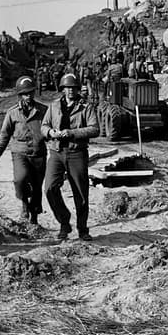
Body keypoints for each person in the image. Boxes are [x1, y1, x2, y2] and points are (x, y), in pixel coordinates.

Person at [41, 73, 99, 241]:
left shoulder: (86, 107)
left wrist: (72, 133)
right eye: (67, 88)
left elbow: (95, 129)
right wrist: (50, 132)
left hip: (77, 153)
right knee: (50, 188)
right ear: (63, 89)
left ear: (78, 89)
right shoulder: (54, 106)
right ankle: (64, 222)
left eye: (73, 88)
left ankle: (82, 229)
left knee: (80, 192)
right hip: (56, 152)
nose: (70, 91)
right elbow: (44, 125)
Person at [0, 76, 47, 224]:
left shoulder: (43, 110)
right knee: (20, 179)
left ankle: (34, 217)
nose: (28, 96)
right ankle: (24, 203)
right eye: (25, 94)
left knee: (37, 185)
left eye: (31, 93)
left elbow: (50, 131)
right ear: (20, 95)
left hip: (38, 152)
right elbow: (5, 134)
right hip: (20, 152)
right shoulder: (12, 112)